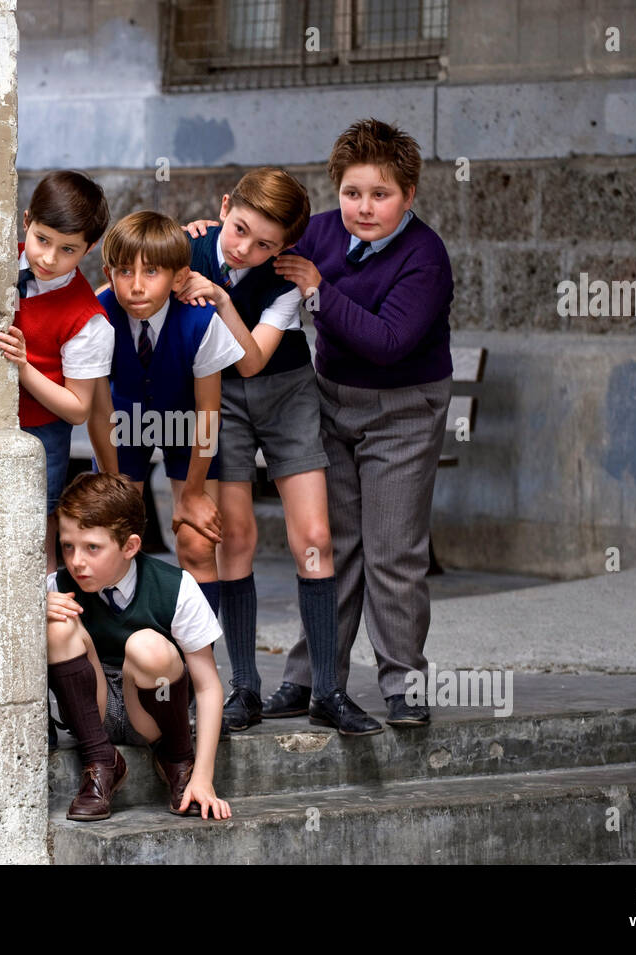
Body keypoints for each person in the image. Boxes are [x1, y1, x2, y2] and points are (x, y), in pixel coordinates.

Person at [179, 168, 382, 737]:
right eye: (240, 229)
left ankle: (328, 691)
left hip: (286, 390)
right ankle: (244, 687)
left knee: (315, 540)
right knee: (236, 539)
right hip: (218, 398)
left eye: (266, 243)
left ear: (285, 246)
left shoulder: (286, 278)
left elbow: (252, 359)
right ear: (225, 207)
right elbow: (126, 273)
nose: (247, 248)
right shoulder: (186, 248)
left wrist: (220, 297)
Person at [268, 119, 454, 728]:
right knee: (329, 547)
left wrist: (319, 292)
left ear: (409, 195)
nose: (364, 208)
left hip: (403, 409)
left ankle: (403, 685)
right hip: (332, 403)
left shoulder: (424, 257)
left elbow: (387, 342)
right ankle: (312, 677)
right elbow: (254, 246)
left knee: (392, 551)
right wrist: (204, 239)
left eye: (381, 194)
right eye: (352, 193)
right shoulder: (320, 231)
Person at [46, 471, 232, 821]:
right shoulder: (57, 585)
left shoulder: (176, 587)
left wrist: (205, 776)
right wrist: (34, 611)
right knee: (56, 624)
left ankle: (179, 760)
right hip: (92, 710)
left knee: (148, 646)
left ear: (130, 546)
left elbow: (208, 687)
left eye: (92, 548)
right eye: (68, 546)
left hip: (151, 709)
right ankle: (101, 763)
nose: (76, 561)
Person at [86, 211, 245, 617]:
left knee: (196, 541)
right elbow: (99, 408)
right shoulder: (98, 316)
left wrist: (191, 494)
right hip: (124, 423)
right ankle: (128, 646)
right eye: (124, 271)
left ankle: (198, 658)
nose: (136, 286)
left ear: (178, 277)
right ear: (109, 272)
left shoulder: (199, 319)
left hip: (189, 427)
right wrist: (110, 483)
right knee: (119, 536)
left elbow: (209, 412)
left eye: (152, 271)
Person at [0, 170, 112, 573]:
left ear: (89, 249)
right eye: (42, 239)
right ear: (26, 221)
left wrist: (24, 368)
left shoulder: (88, 321)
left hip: (41, 435)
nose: (48, 258)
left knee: (34, 539)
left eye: (68, 249)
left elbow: (79, 409)